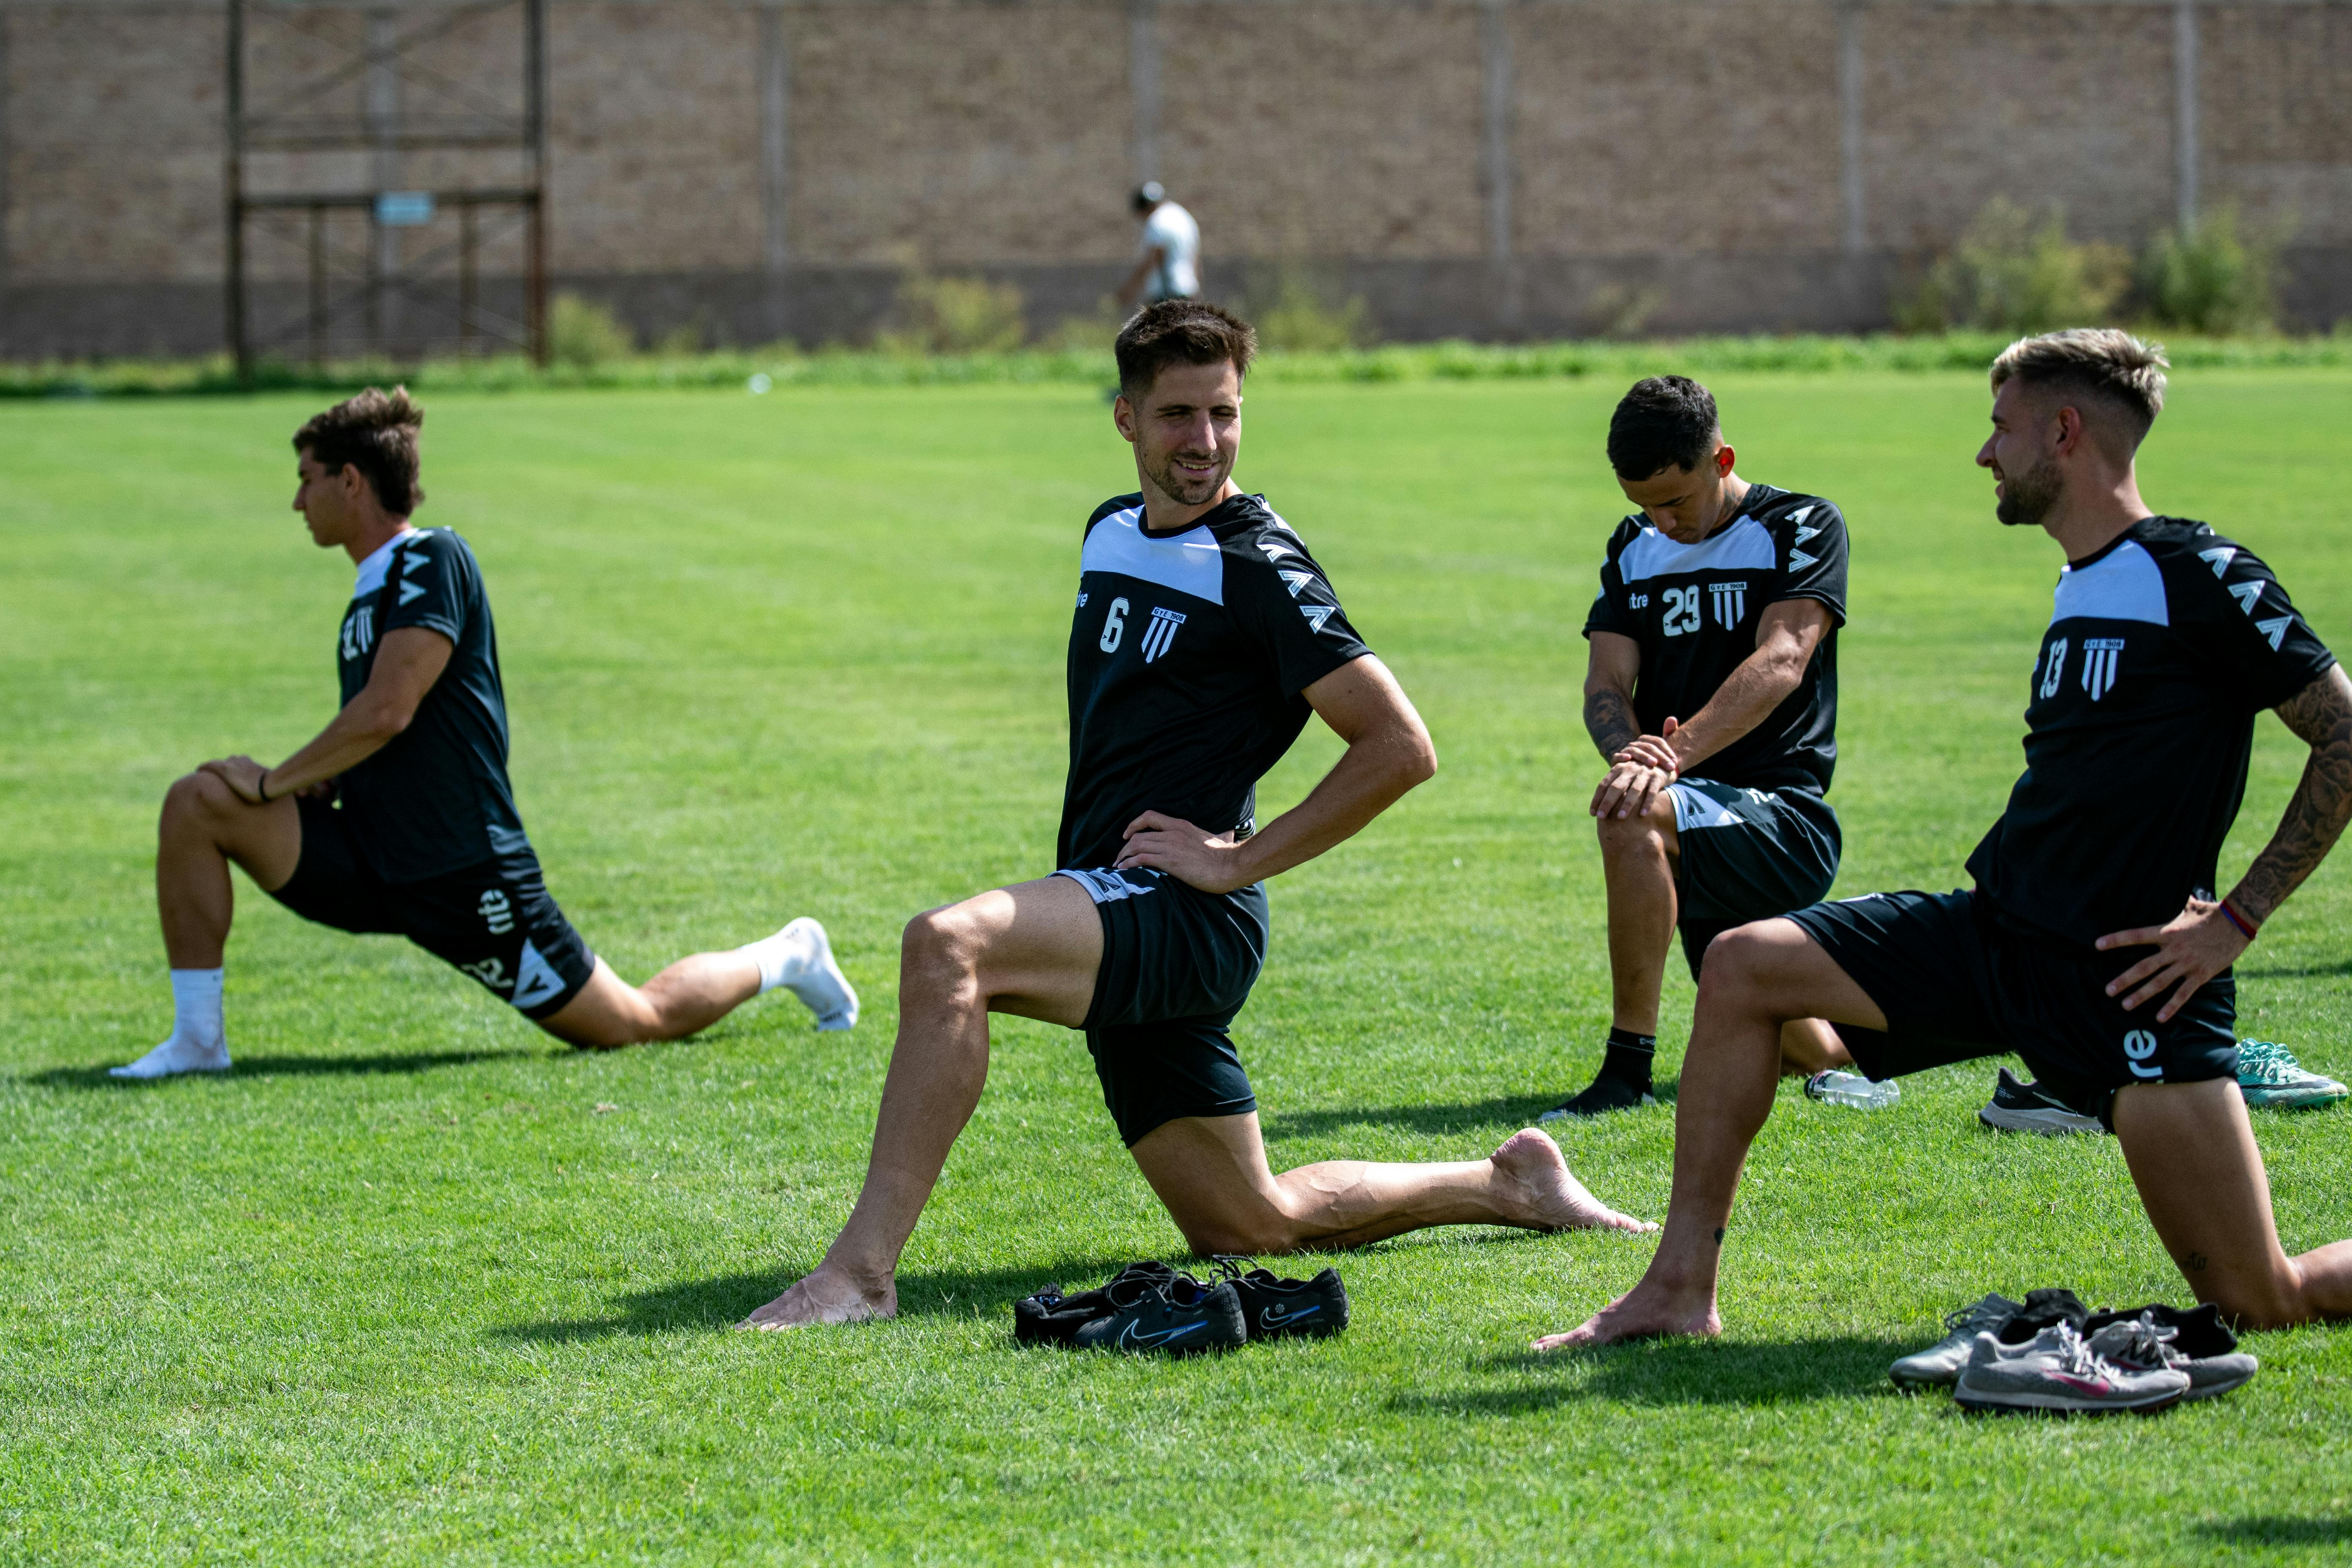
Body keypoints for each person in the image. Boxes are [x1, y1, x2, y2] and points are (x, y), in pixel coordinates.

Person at [741, 301, 1652, 1330]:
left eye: (1224, 413)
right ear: (1125, 418)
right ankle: (1505, 1183)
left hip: (1182, 911)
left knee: (946, 946)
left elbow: (1402, 747)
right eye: (1178, 414)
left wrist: (1238, 858)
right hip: (1109, 896)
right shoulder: (1107, 530)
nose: (1205, 441)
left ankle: (859, 1275)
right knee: (1247, 1227)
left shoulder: (1259, 562)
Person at [1538, 329, 2352, 1350]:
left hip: (2128, 980)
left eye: (2000, 428)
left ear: (2064, 433)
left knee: (2260, 1300)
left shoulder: (2195, 569)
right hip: (1997, 935)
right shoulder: (2080, 577)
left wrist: (2235, 919)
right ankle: (1675, 1288)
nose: (1983, 454)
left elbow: (2343, 734)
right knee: (1744, 965)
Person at [112, 387, 857, 1078]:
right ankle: (198, 1041)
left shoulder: (431, 560)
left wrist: (276, 781)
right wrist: (329, 778)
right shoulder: (367, 591)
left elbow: (388, 711)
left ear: (351, 481)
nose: (296, 499)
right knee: (199, 801)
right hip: (372, 856)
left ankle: (788, 955)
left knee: (635, 1021)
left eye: (307, 478)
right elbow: (389, 730)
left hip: (463, 873)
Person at [1543, 377, 1854, 1119]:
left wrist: (1666, 764)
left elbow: (1782, 658)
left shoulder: (1801, 525)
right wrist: (1629, 753)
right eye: (1642, 502)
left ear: (1722, 459)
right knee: (1790, 1037)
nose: (1660, 519)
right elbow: (1605, 683)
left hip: (1781, 817)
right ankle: (1860, 1035)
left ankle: (1624, 1072)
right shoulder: (1633, 545)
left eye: (1675, 500)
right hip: (1688, 814)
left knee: (1632, 815)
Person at [1115, 182, 1200, 310]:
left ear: (1146, 207)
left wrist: (1129, 290)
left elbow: (1155, 258)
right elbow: (1195, 257)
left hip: (1167, 294)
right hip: (1189, 291)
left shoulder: (1156, 221)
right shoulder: (1184, 216)